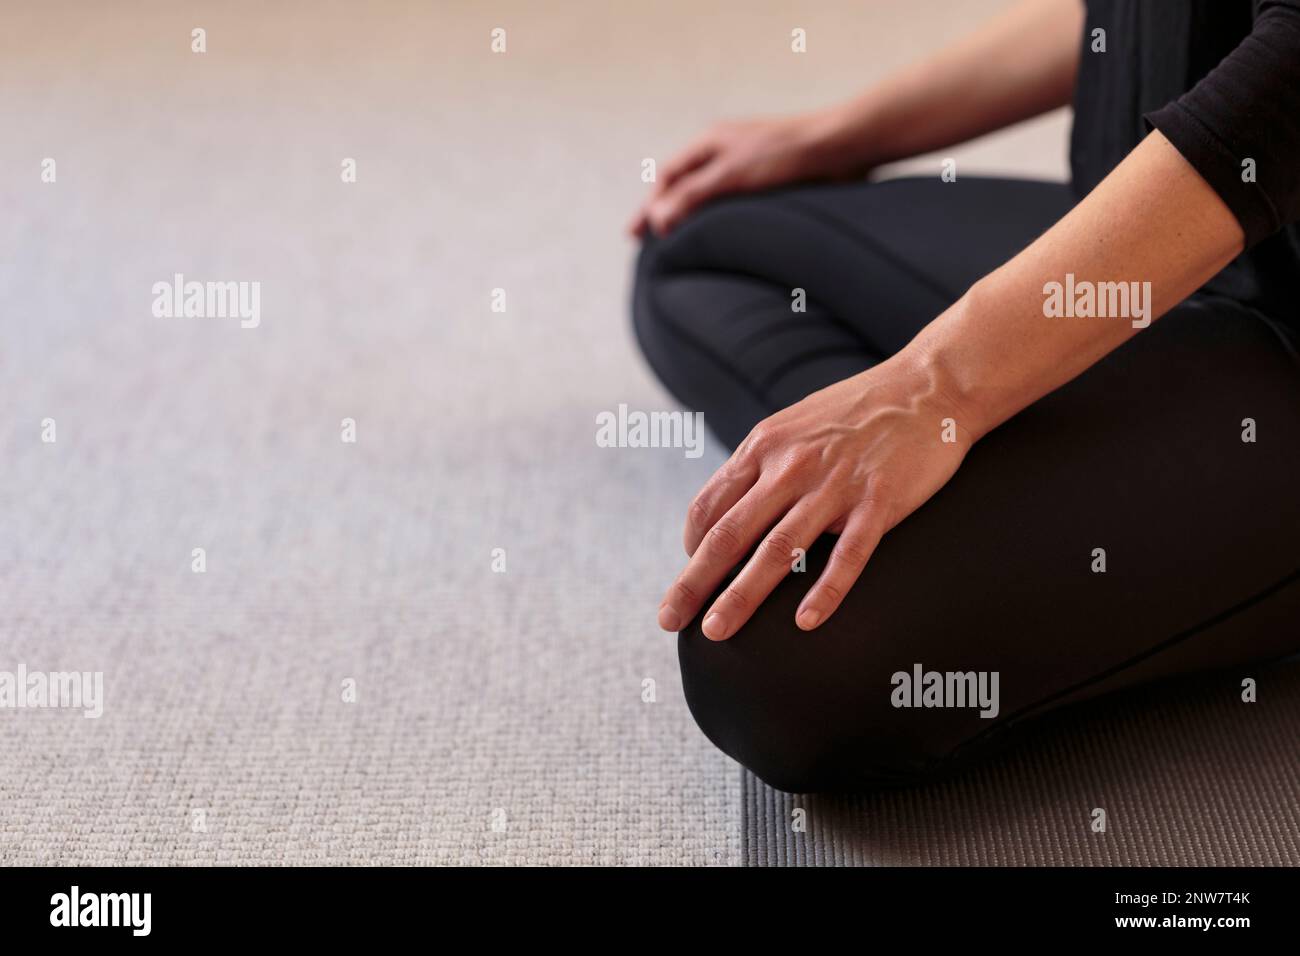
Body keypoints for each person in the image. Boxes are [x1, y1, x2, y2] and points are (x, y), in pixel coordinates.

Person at [629, 0, 1300, 793]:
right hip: (1145, 241)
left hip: (1281, 335)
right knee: (700, 235)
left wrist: (933, 388)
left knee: (774, 652)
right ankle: (909, 480)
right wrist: (839, 134)